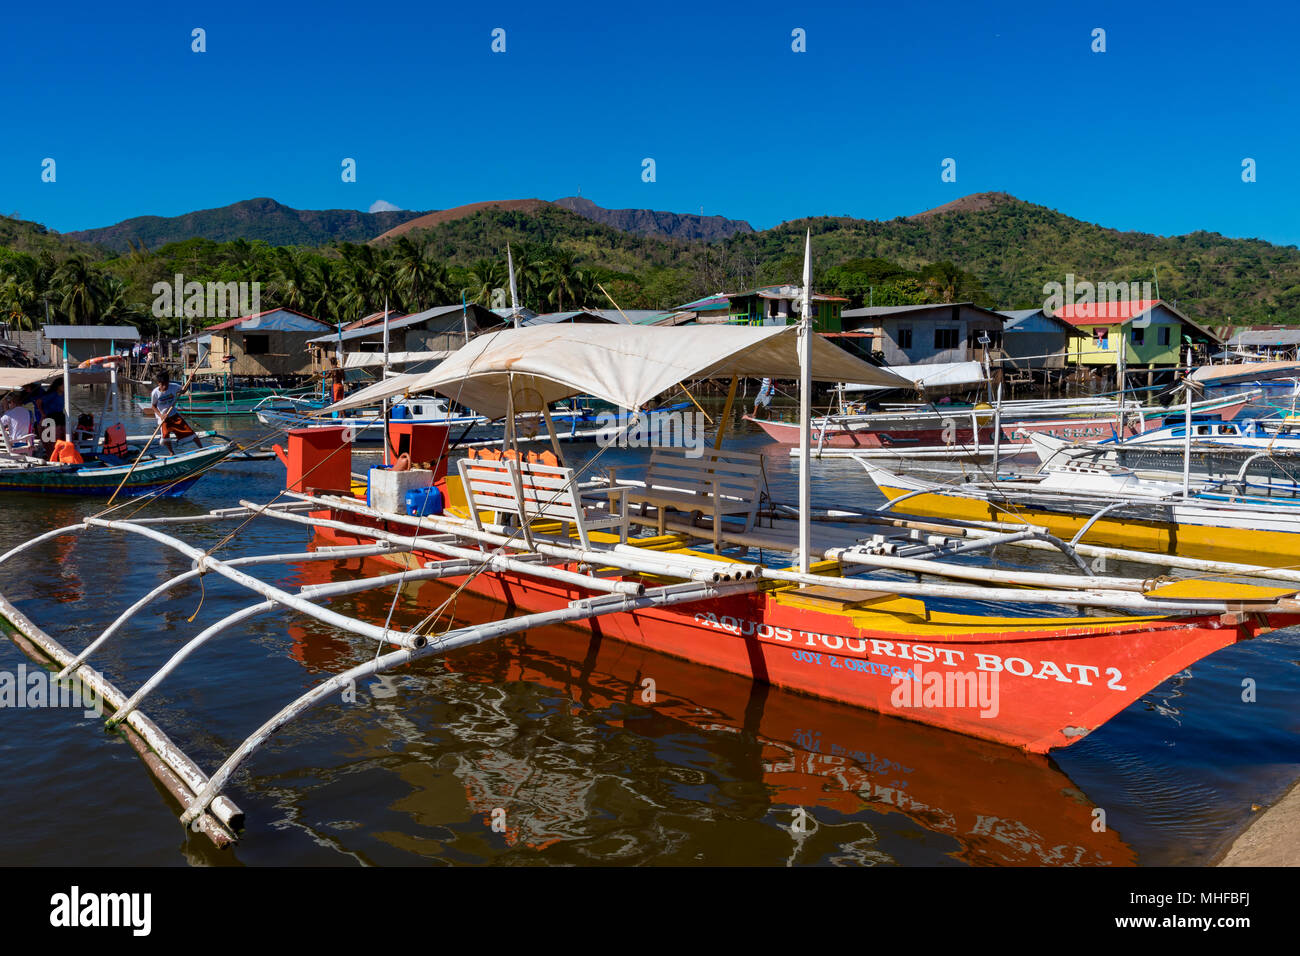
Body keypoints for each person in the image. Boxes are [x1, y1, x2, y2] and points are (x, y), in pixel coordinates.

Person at [150, 370, 203, 455]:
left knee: (190, 432)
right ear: (158, 383)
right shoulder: (155, 393)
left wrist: (190, 380)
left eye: (166, 384)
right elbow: (153, 406)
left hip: (173, 414)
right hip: (163, 417)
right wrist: (161, 415)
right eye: (162, 385)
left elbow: (183, 390)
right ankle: (171, 452)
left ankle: (202, 449)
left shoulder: (173, 387)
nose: (164, 387)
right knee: (165, 435)